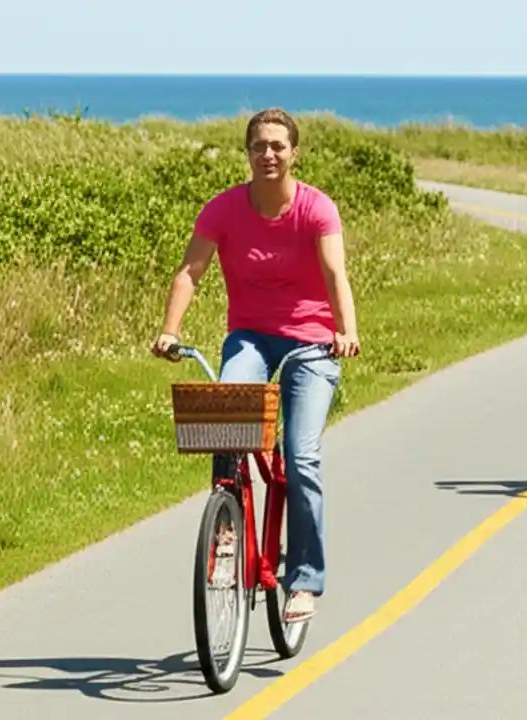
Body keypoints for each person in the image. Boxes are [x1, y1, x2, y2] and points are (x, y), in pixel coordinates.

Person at [151, 108, 360, 623]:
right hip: (249, 338)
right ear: (246, 152)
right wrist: (170, 331)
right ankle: (226, 530)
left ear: (294, 153)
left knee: (301, 455)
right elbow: (190, 272)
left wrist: (346, 331)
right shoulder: (223, 210)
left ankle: (305, 579)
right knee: (226, 421)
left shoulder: (316, 209)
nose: (268, 153)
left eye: (278, 146)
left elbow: (336, 274)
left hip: (311, 342)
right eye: (259, 145)